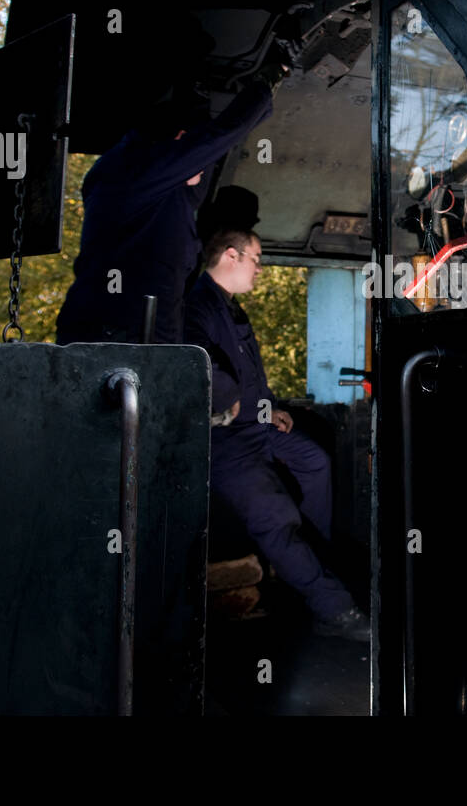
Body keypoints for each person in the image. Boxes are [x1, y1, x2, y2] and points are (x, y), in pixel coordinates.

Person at [183, 228, 369, 641]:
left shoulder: (231, 308)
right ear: (231, 256)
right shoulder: (196, 306)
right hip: (226, 439)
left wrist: (271, 409)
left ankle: (311, 562)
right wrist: (227, 397)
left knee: (315, 461)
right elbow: (197, 361)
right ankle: (333, 610)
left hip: (258, 426)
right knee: (276, 516)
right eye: (256, 258)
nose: (260, 269)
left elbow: (252, 376)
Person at [55, 61, 285, 345]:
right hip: (113, 339)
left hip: (149, 341)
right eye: (191, 154)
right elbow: (217, 139)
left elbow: (204, 161)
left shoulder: (163, 196)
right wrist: (268, 81)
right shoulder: (133, 172)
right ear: (174, 142)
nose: (201, 168)